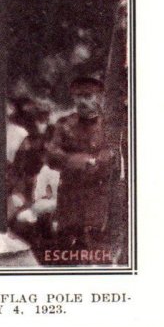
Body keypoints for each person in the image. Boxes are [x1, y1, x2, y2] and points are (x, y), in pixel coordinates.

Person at [45, 76, 114, 259]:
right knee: (67, 247)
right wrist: (77, 160)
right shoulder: (64, 124)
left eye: (88, 96)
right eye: (78, 96)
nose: (83, 101)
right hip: (70, 196)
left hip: (99, 196)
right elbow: (52, 154)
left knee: (97, 248)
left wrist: (98, 161)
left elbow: (115, 152)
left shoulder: (108, 126)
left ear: (99, 97)